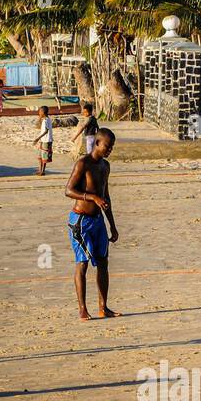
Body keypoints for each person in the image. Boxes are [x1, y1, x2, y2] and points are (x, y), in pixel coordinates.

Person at [65, 129, 119, 320]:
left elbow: (106, 196)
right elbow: (69, 190)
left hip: (98, 221)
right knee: (83, 263)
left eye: (112, 147)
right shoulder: (83, 163)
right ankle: (82, 308)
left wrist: (112, 224)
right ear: (97, 143)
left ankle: (103, 307)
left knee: (103, 262)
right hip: (80, 221)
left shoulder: (105, 166)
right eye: (107, 146)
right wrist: (92, 197)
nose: (109, 149)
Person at [34, 104, 53, 175]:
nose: (39, 113)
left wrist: (37, 138)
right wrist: (39, 118)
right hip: (44, 140)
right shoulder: (47, 119)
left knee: (44, 156)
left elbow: (46, 131)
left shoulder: (45, 121)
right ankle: (40, 170)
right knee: (40, 156)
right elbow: (38, 126)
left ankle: (43, 171)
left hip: (46, 140)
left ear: (43, 112)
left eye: (39, 112)